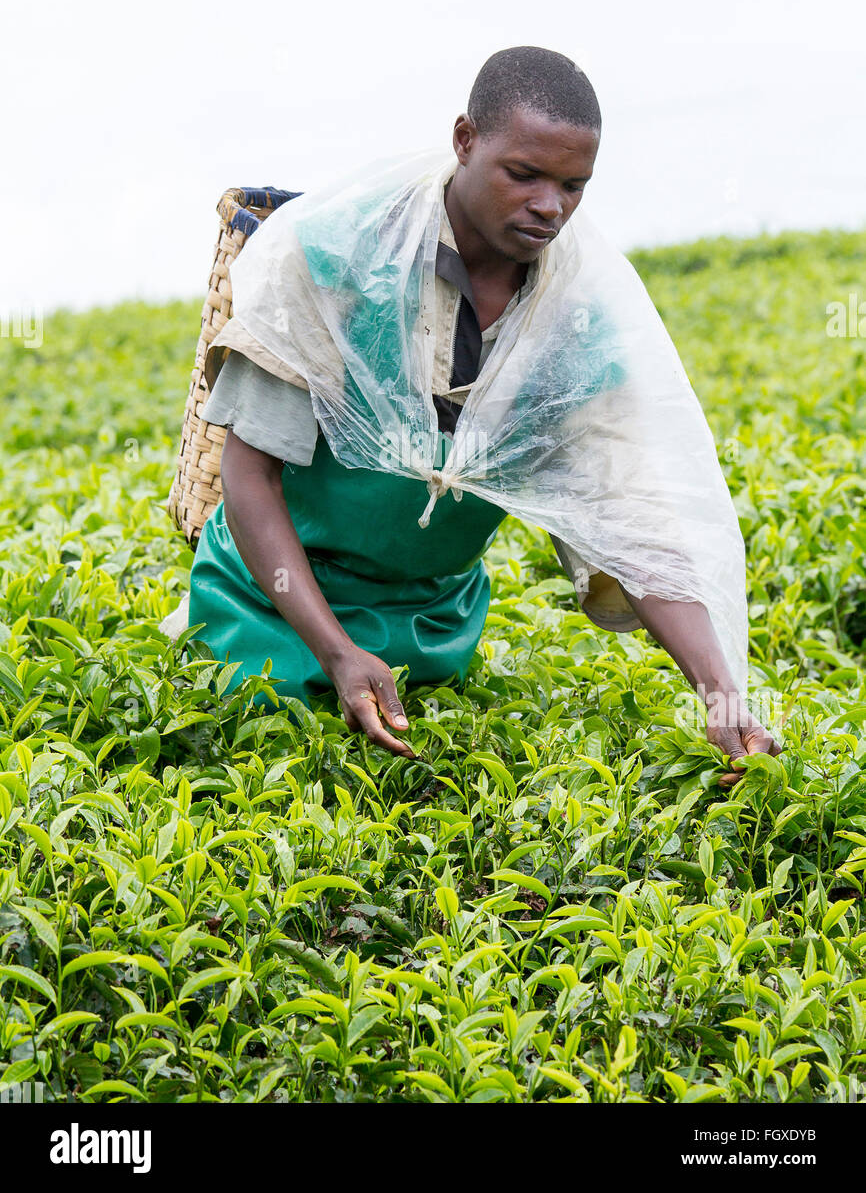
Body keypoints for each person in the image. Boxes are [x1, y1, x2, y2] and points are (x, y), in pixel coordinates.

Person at [176, 46, 780, 785]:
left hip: (431, 633)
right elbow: (248, 478)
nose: (549, 206)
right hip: (264, 617)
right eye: (523, 174)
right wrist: (336, 652)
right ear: (465, 140)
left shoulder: (574, 316)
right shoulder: (337, 258)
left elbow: (635, 528)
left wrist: (721, 695)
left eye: (573, 185)